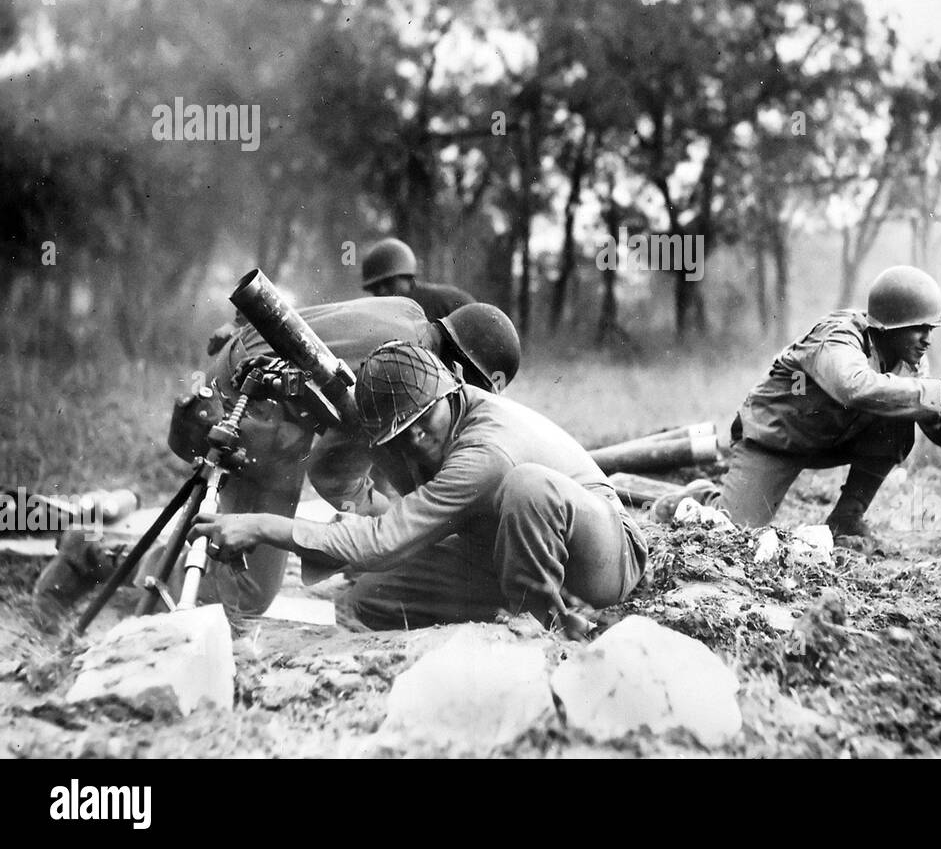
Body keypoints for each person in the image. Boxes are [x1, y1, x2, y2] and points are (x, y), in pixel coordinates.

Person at [31, 297, 522, 628]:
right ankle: (90, 560)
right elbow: (332, 468)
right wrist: (373, 511)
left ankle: (99, 554)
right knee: (245, 591)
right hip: (252, 412)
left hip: (248, 377)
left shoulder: (408, 313)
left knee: (224, 555)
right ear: (460, 370)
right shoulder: (400, 369)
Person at [190, 342, 649, 631]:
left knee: (527, 486)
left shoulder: (486, 449)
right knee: (368, 599)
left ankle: (546, 627)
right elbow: (391, 521)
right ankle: (520, 605)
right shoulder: (430, 427)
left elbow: (385, 541)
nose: (417, 440)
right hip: (505, 549)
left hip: (602, 554)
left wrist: (262, 526)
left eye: (423, 421)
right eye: (400, 436)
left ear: (449, 391)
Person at [653, 266, 941, 545]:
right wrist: (937, 391)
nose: (927, 340)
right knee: (730, 533)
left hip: (832, 440)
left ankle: (846, 519)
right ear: (889, 327)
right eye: (920, 328)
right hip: (776, 441)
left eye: (931, 330)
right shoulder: (837, 337)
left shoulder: (912, 362)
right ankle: (697, 498)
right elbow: (855, 388)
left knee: (903, 413)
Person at [361, 237, 475, 323]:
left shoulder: (450, 301)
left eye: (388, 282)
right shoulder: (379, 319)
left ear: (408, 278)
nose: (381, 291)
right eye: (374, 287)